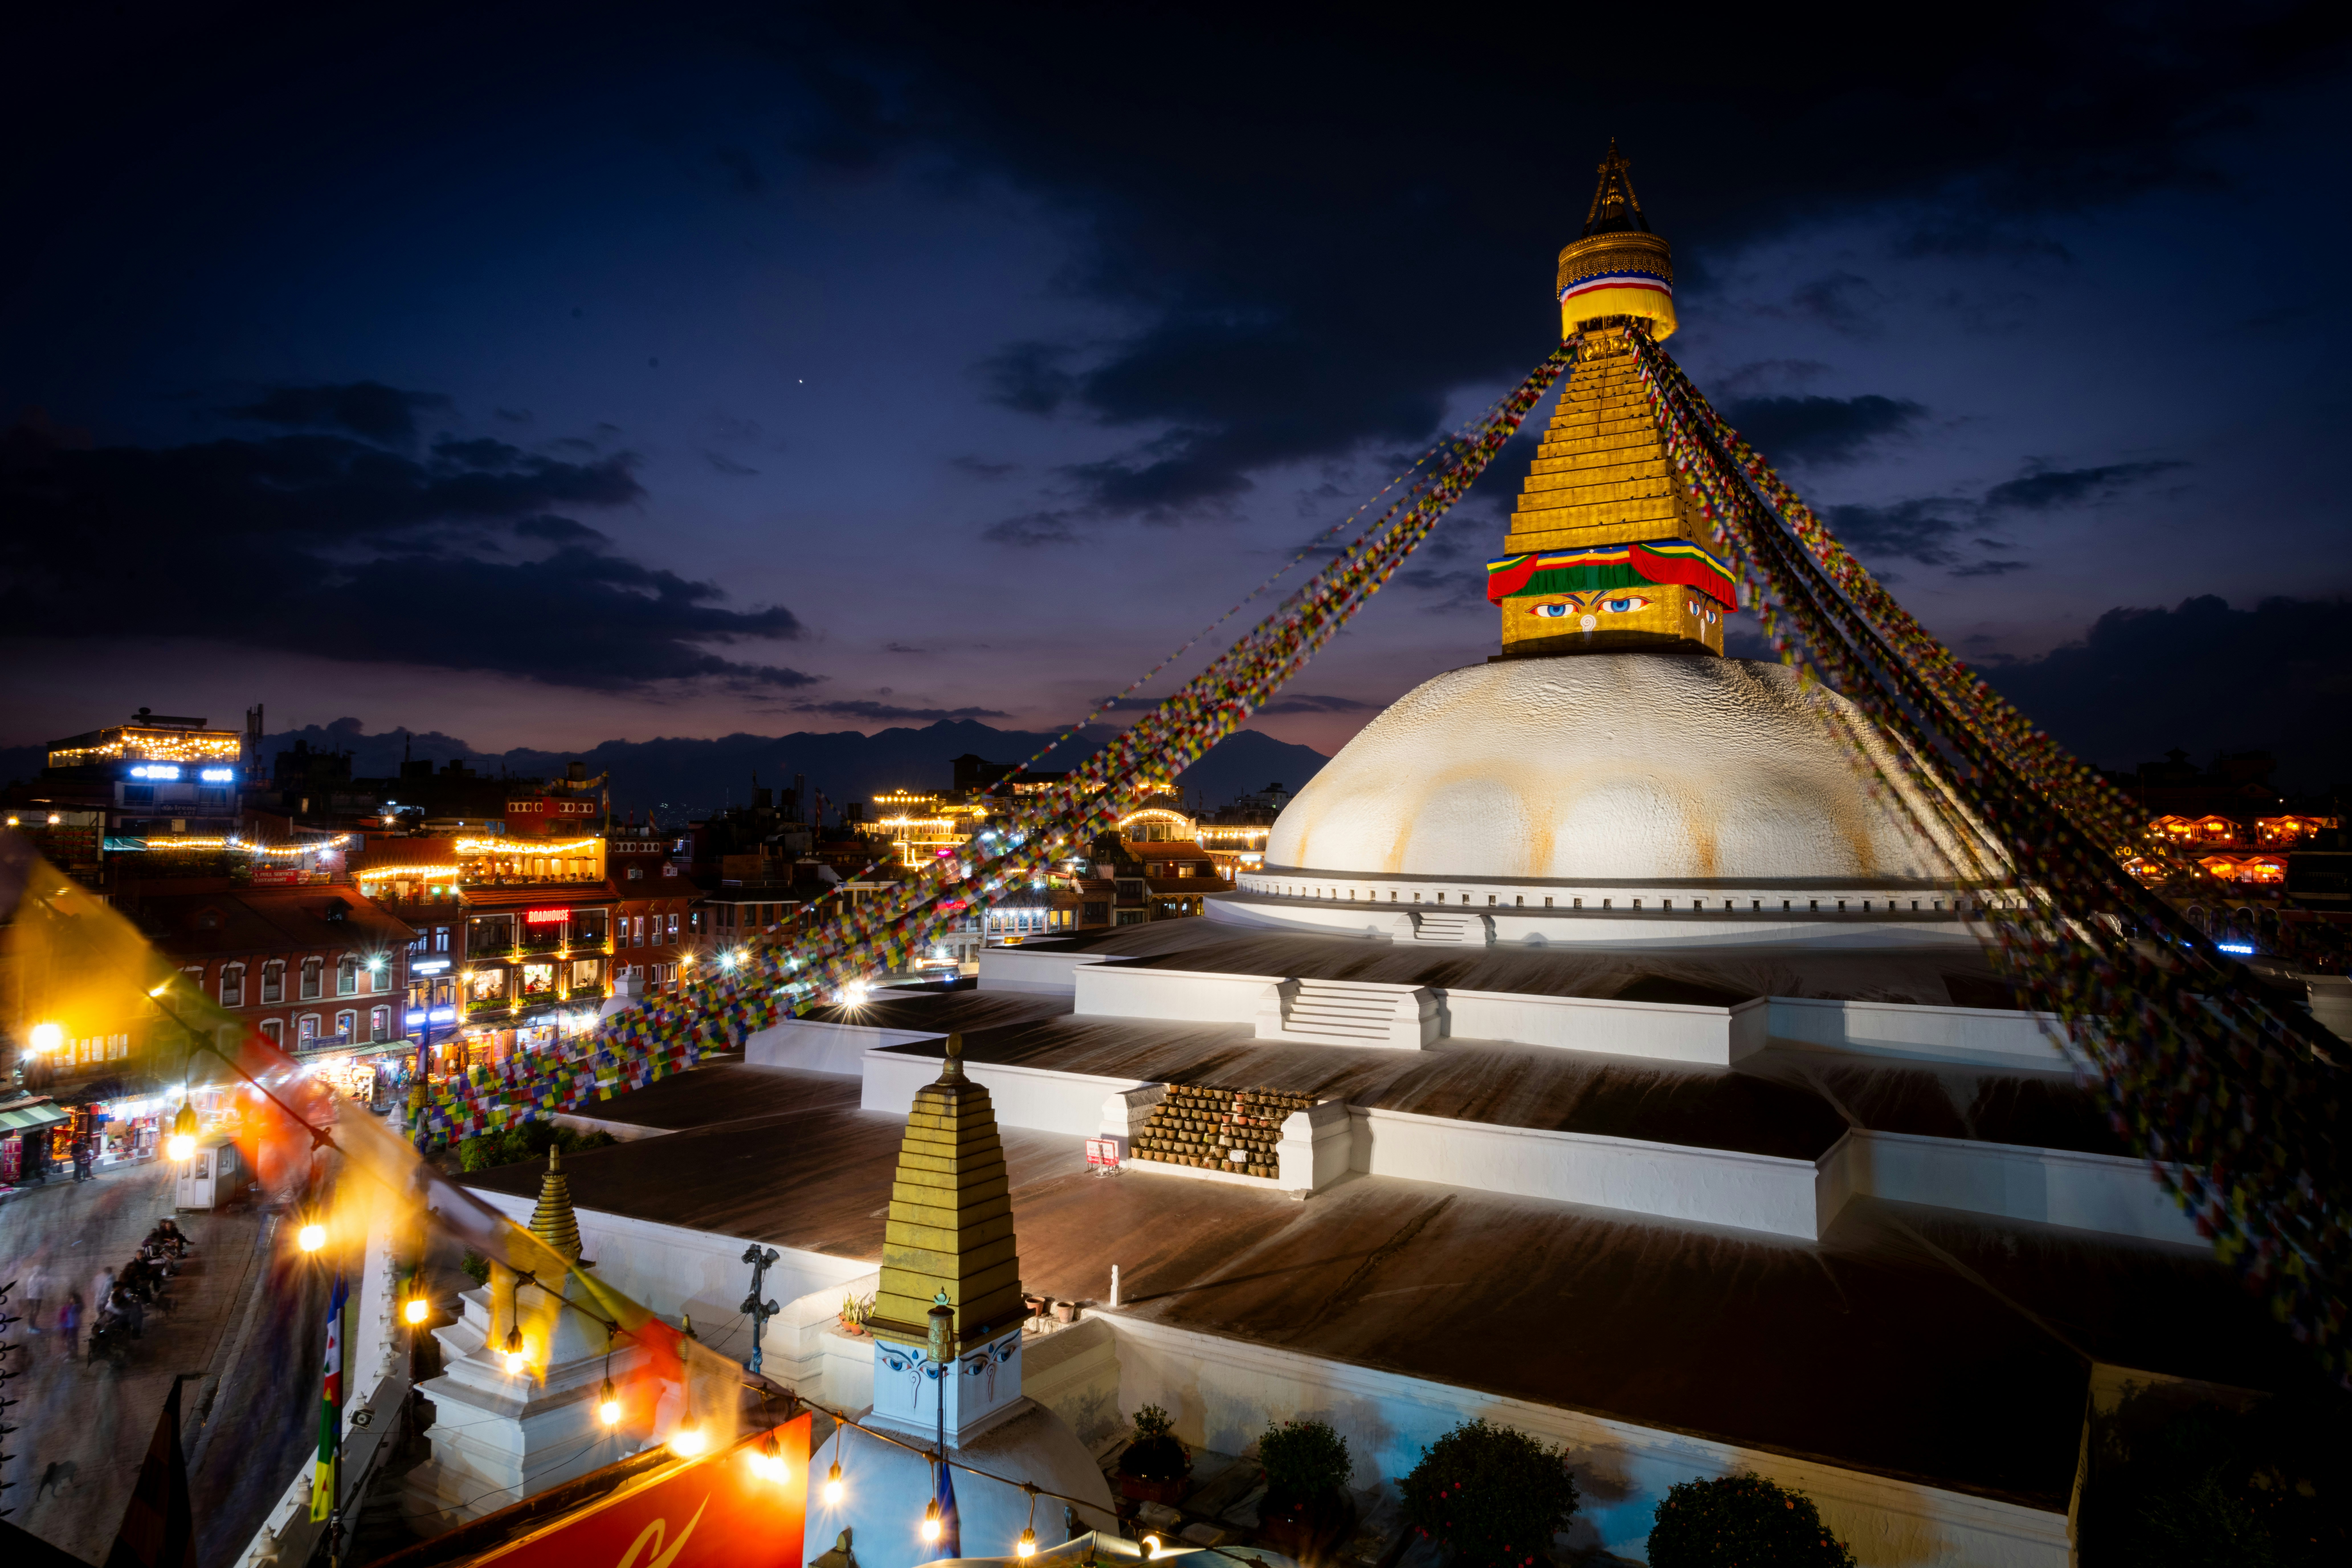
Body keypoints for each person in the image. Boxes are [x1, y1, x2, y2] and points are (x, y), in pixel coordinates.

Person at [56, 1290, 82, 1360]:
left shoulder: (74, 1308)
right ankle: (75, 1355)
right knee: (74, 1341)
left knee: (70, 1341)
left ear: (74, 1299)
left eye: (71, 1298)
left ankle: (71, 1357)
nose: (70, 1299)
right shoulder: (76, 1307)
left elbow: (71, 1318)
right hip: (74, 1326)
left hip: (73, 1327)